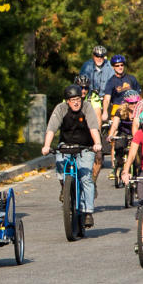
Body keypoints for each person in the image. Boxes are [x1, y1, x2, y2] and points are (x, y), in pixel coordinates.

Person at [42, 84, 103, 227]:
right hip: (66, 145)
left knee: (86, 177)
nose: (76, 102)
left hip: (85, 147)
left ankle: (88, 212)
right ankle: (65, 186)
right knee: (60, 166)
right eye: (72, 100)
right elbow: (51, 128)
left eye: (78, 99)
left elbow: (93, 127)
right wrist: (46, 145)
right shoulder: (61, 109)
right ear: (67, 101)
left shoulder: (87, 107)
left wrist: (97, 144)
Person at [101, 54, 141, 123]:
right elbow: (107, 99)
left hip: (132, 107)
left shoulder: (131, 78)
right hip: (118, 107)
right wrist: (105, 112)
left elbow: (139, 95)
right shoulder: (111, 82)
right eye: (117, 65)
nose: (120, 67)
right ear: (113, 67)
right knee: (115, 125)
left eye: (121, 65)